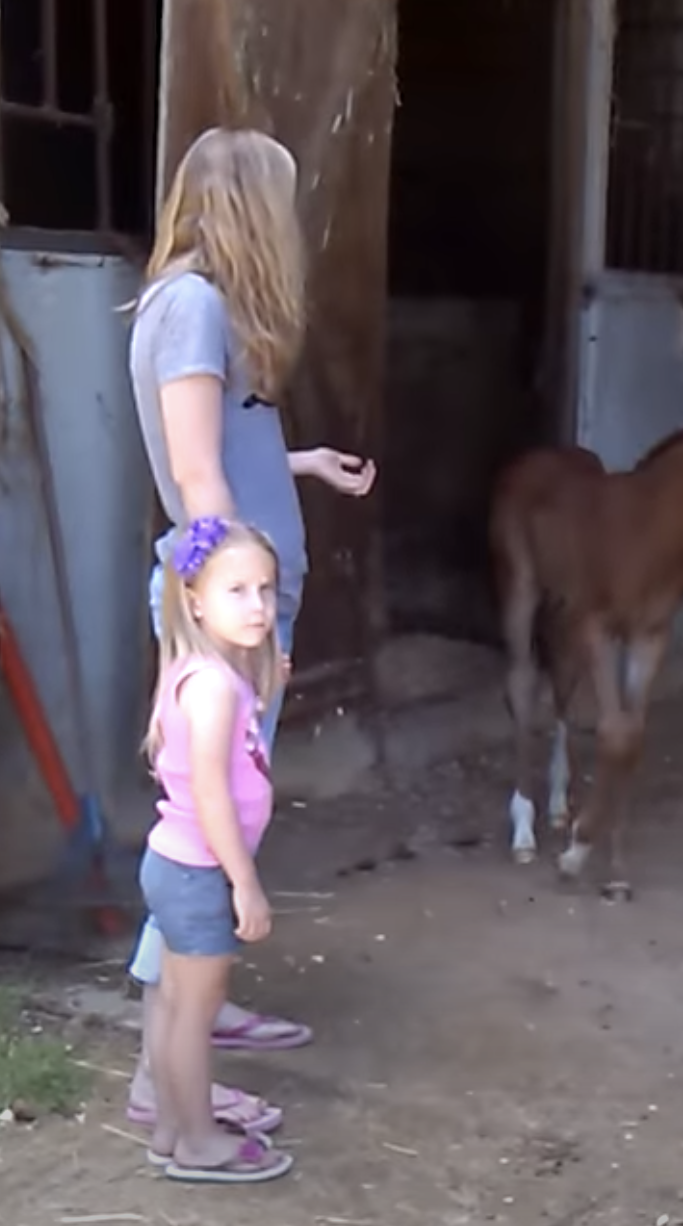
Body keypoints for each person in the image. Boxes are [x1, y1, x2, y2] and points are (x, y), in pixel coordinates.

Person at [125, 126, 377, 1135]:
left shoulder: (200, 307)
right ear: (247, 209)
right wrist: (242, 626)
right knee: (202, 834)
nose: (294, 222)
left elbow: (224, 438)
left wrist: (300, 460)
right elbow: (195, 476)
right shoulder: (190, 304)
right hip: (226, 610)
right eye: (281, 200)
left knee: (217, 814)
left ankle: (196, 1018)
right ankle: (168, 1070)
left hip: (232, 601)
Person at [139, 516, 292, 1183]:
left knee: (175, 1006)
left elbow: (233, 746)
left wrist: (268, 686)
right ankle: (199, 1140)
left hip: (174, 866)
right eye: (237, 590)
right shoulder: (210, 687)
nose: (257, 606)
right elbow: (212, 794)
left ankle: (174, 1128)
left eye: (265, 590)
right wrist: (244, 883)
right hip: (201, 872)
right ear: (195, 598)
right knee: (193, 1016)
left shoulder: (201, 671)